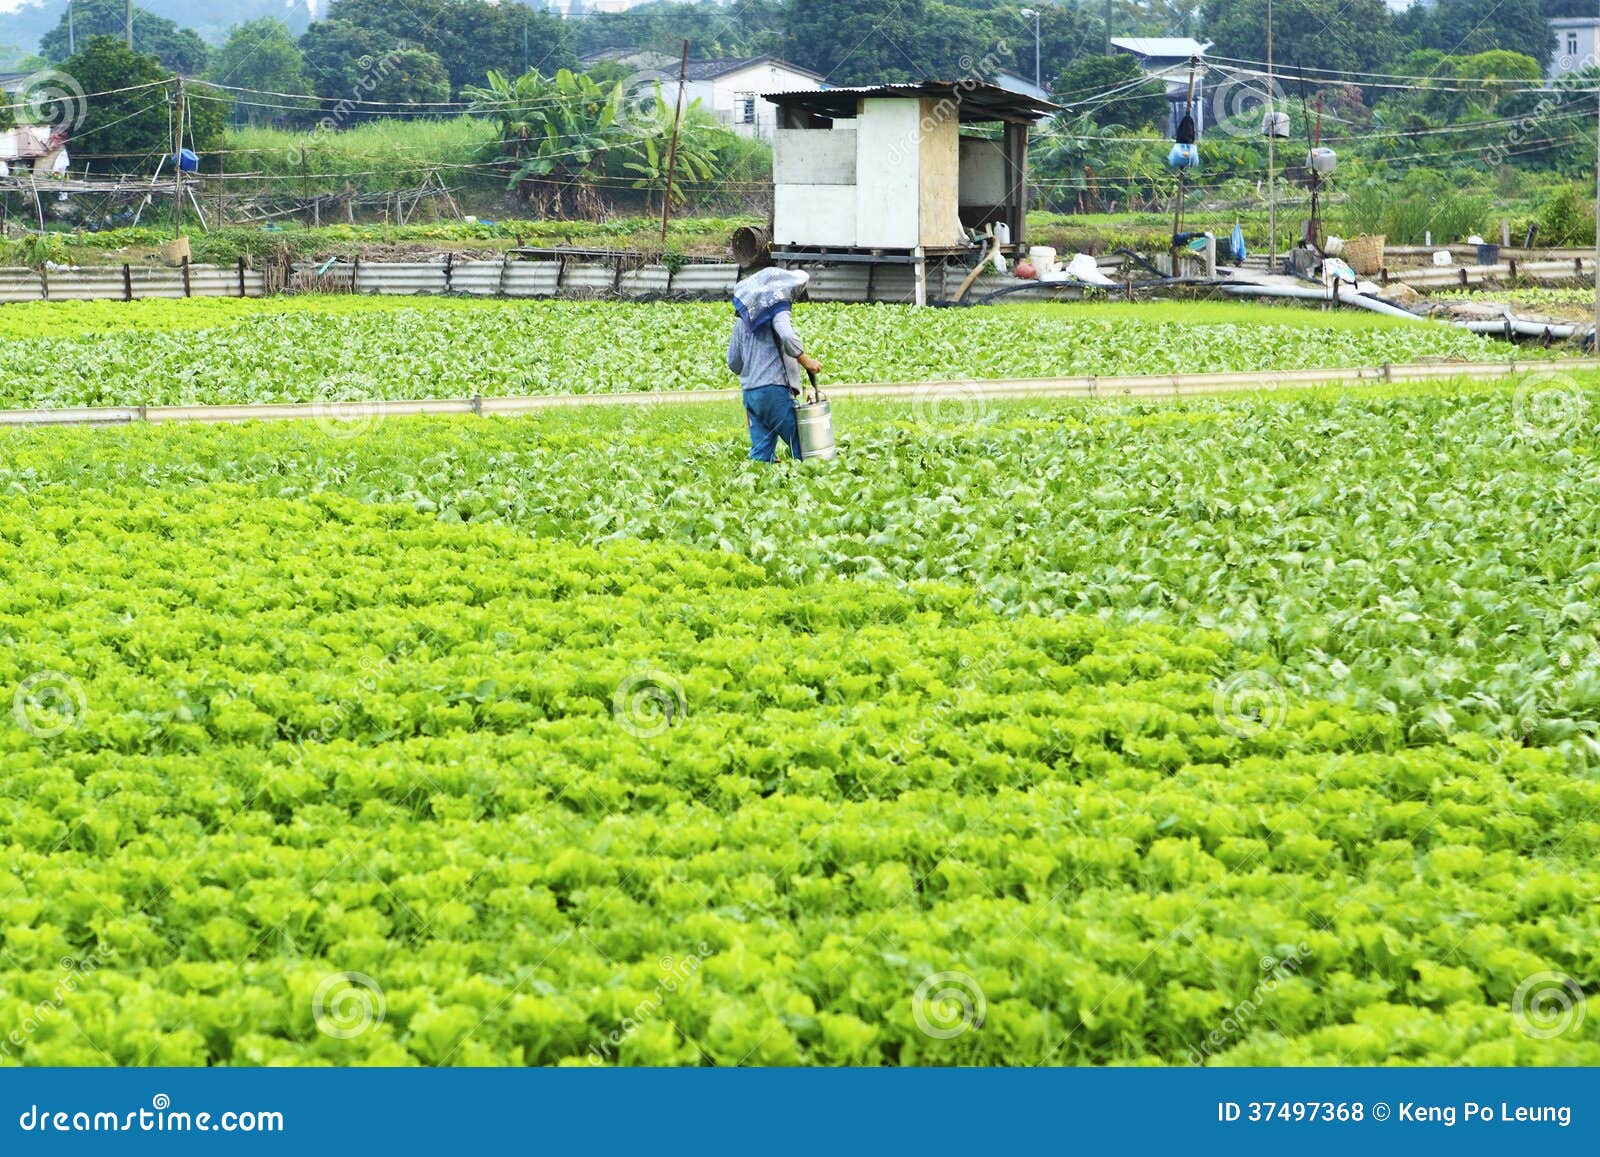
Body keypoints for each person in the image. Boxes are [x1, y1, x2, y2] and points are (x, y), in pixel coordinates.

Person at [727, 267, 822, 462]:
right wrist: (807, 362)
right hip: (774, 390)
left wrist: (753, 371)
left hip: (751, 395)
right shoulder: (778, 310)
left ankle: (758, 487)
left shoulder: (742, 320)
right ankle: (811, 482)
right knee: (803, 444)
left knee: (761, 454)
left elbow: (733, 362)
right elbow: (786, 335)